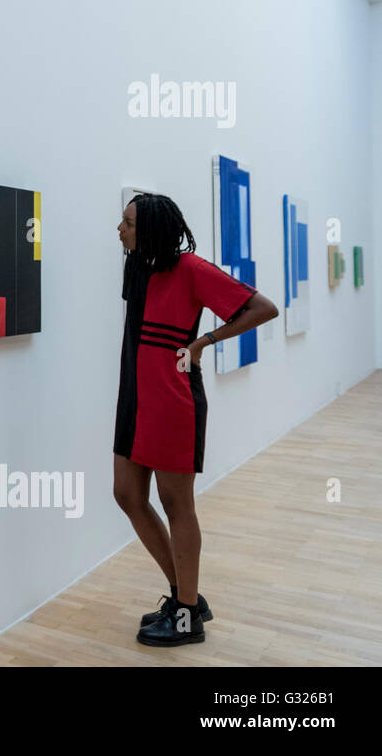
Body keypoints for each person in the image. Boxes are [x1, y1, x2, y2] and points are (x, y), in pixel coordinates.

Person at [114, 193, 278, 647]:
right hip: (133, 396)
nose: (120, 230)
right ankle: (184, 594)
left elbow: (263, 307)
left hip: (173, 399)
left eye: (127, 223)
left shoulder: (191, 269)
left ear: (149, 229)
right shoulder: (137, 268)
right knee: (126, 494)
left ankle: (187, 616)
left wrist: (205, 340)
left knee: (175, 502)